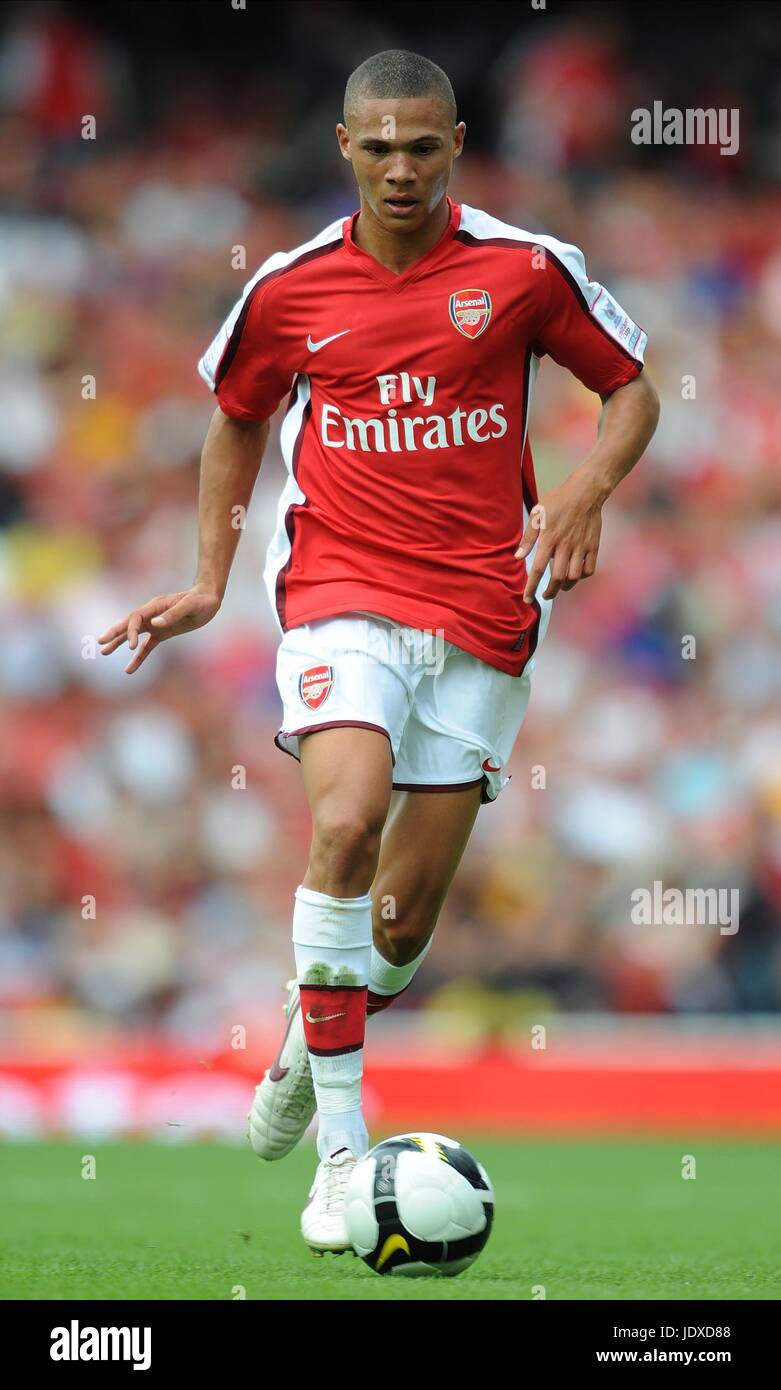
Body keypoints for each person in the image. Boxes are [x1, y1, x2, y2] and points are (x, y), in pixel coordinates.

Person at [98, 49, 660, 1256]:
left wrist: (581, 491)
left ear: (456, 142)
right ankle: (342, 1161)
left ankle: (313, 1039)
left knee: (397, 928)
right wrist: (206, 579)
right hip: (339, 585)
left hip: (483, 606)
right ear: (344, 149)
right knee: (343, 824)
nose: (401, 168)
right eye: (379, 147)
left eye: (423, 146)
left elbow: (630, 389)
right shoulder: (290, 289)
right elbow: (234, 422)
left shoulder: (521, 269)